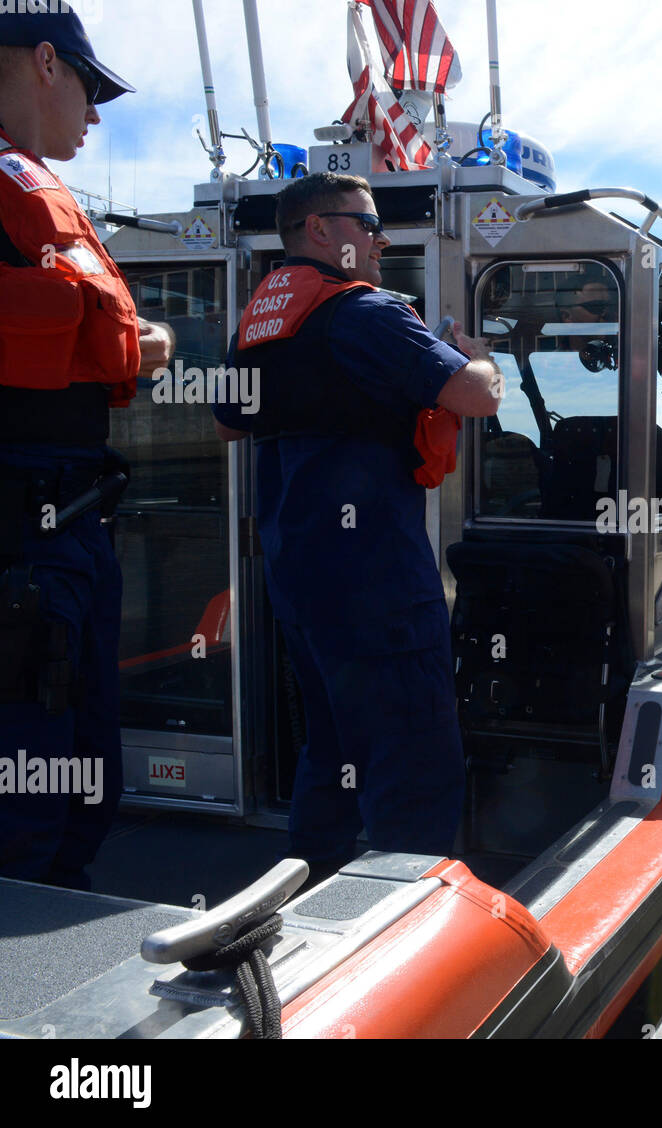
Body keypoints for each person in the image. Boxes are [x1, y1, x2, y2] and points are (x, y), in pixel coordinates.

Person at [212, 172, 502, 881]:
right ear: (319, 231)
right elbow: (475, 396)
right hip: (376, 582)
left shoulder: (258, 323)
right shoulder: (365, 313)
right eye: (367, 224)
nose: (382, 239)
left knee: (333, 747)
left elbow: (226, 423)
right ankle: (410, 936)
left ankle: (302, 901)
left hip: (301, 579)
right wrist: (479, 356)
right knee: (415, 761)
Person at [0, 10, 175, 889]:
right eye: (91, 87)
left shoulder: (27, 191)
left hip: (67, 525)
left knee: (78, 773)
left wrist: (111, 343)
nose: (97, 117)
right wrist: (112, 343)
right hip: (22, 545)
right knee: (24, 794)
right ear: (43, 62)